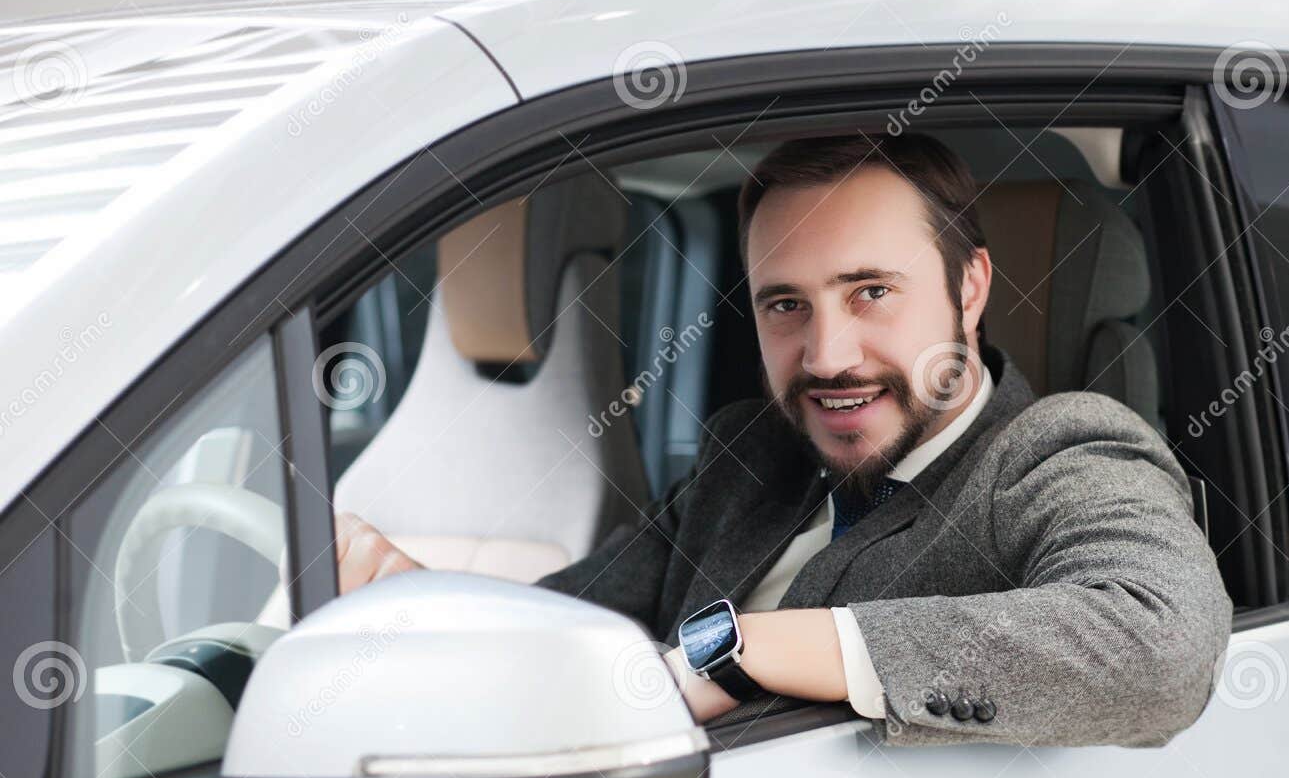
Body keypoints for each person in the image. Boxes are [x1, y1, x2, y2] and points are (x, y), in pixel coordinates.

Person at [336, 133, 1233, 747]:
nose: (828, 356)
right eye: (786, 304)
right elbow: (576, 629)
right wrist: (424, 608)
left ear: (969, 289)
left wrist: (742, 648)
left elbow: (1162, 647)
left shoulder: (1061, 452)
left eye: (871, 292)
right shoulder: (749, 455)